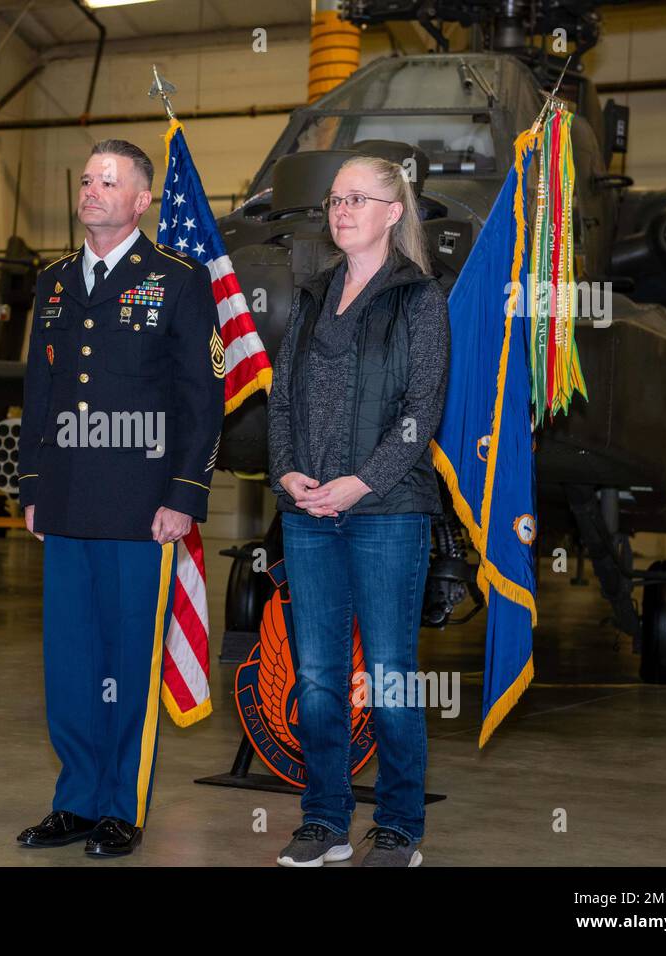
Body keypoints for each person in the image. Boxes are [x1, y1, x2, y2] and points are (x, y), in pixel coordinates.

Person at [14, 139, 225, 857]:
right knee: (70, 661)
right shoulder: (53, 280)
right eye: (86, 180)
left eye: (109, 182)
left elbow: (202, 398)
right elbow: (40, 390)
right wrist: (33, 486)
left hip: (142, 507)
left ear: (141, 201)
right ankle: (75, 801)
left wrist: (185, 495)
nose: (91, 191)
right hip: (66, 500)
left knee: (129, 659)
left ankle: (119, 807)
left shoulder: (177, 279)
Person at [267, 155, 450, 867]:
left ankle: (400, 826)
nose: (340, 210)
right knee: (316, 676)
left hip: (388, 513)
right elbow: (282, 400)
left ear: (393, 212)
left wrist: (360, 483)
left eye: (357, 199)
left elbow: (421, 411)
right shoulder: (313, 295)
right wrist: (287, 471)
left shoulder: (420, 299)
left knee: (390, 672)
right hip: (307, 510)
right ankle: (324, 821)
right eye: (335, 200)